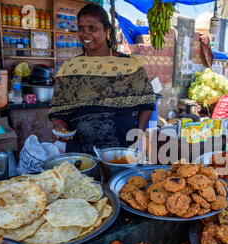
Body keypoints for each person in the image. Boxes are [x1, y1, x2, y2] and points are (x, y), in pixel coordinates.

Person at [49, 4, 155, 154]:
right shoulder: (70, 69)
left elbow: (147, 103)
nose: (85, 33)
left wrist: (138, 138)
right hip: (81, 153)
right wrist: (59, 125)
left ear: (107, 30)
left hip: (121, 150)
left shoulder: (130, 65)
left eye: (92, 28)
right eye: (81, 28)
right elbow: (58, 111)